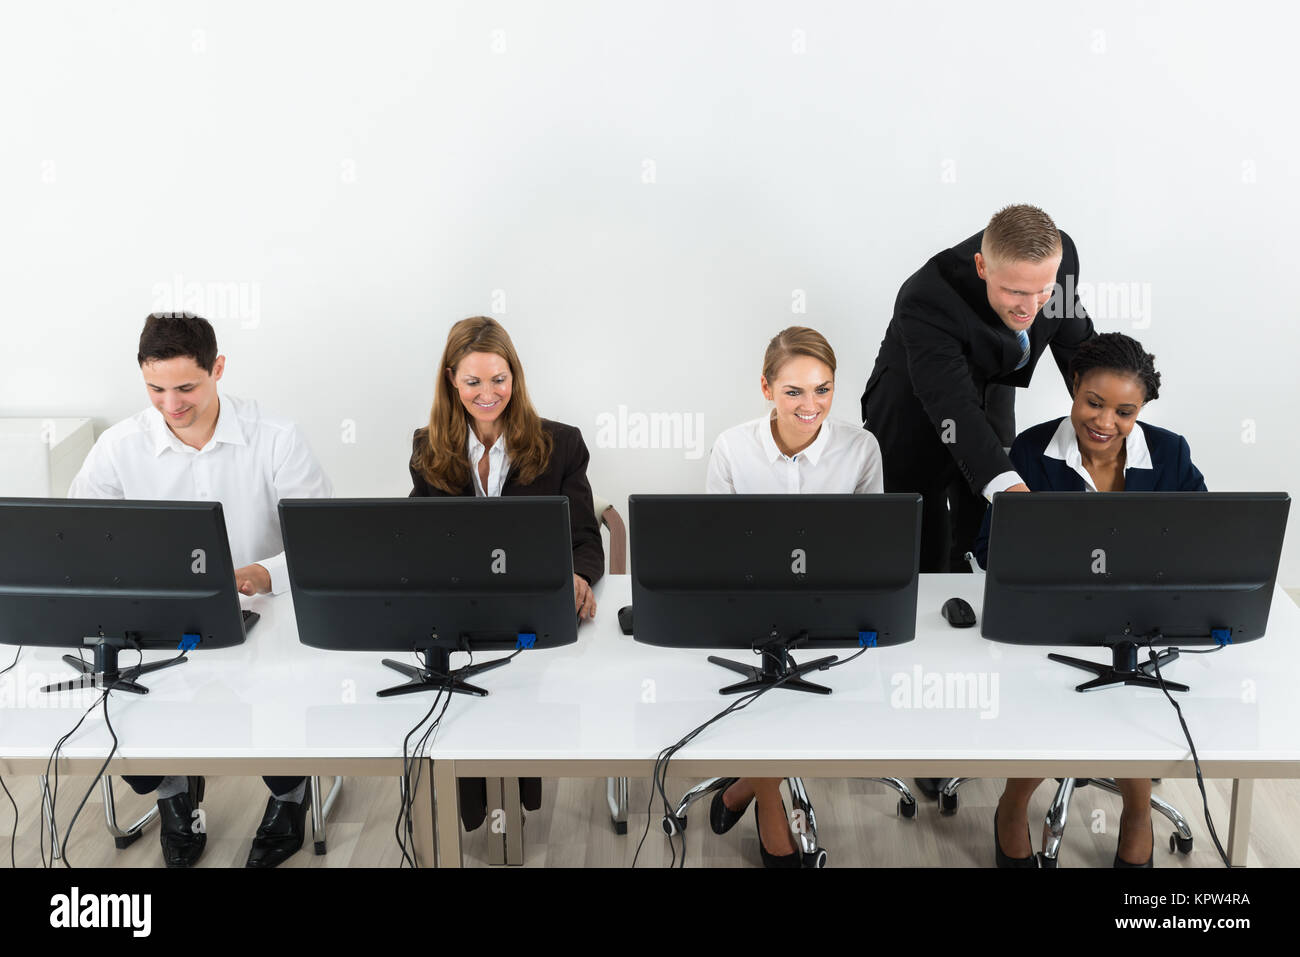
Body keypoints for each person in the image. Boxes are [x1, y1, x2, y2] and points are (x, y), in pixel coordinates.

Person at [68, 312, 333, 868]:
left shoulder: (276, 438)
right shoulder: (119, 447)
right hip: (158, 611)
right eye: (155, 389)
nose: (171, 404)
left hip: (265, 607)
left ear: (218, 368)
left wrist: (264, 573)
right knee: (123, 688)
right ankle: (173, 792)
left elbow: (324, 541)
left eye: (186, 387)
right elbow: (80, 536)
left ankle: (289, 794)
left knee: (276, 685)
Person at [861, 203, 1095, 801]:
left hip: (988, 393)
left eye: (1041, 292)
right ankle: (922, 725)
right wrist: (1012, 492)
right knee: (926, 554)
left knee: (981, 544)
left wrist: (1109, 413)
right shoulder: (927, 297)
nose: (1030, 307)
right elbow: (950, 409)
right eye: (1015, 292)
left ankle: (986, 701)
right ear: (980, 267)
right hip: (916, 406)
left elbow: (1078, 348)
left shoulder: (1055, 264)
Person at [974, 332, 1206, 867]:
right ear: (1075, 388)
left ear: (1141, 410)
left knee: (1136, 682)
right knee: (1047, 691)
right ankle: (1013, 802)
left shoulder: (1169, 452)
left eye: (1125, 411)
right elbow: (991, 545)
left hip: (1142, 612)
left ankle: (1138, 810)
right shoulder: (1032, 449)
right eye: (1094, 403)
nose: (1105, 422)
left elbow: (1201, 539)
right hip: (1054, 610)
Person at [408, 316, 604, 832]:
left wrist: (578, 578)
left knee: (515, 696)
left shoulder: (561, 444)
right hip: (459, 611)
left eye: (499, 378)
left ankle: (511, 805)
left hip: (531, 611)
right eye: (473, 381)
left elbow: (586, 542)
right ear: (452, 380)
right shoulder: (428, 446)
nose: (488, 392)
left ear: (515, 377)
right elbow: (412, 538)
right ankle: (474, 810)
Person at [705, 326, 883, 867]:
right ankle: (766, 797)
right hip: (749, 601)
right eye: (794, 392)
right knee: (770, 684)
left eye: (823, 389)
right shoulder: (733, 447)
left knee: (803, 692)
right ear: (766, 389)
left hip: (832, 602)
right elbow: (716, 546)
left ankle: (747, 787)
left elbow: (873, 545)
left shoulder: (860, 447)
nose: (811, 405)